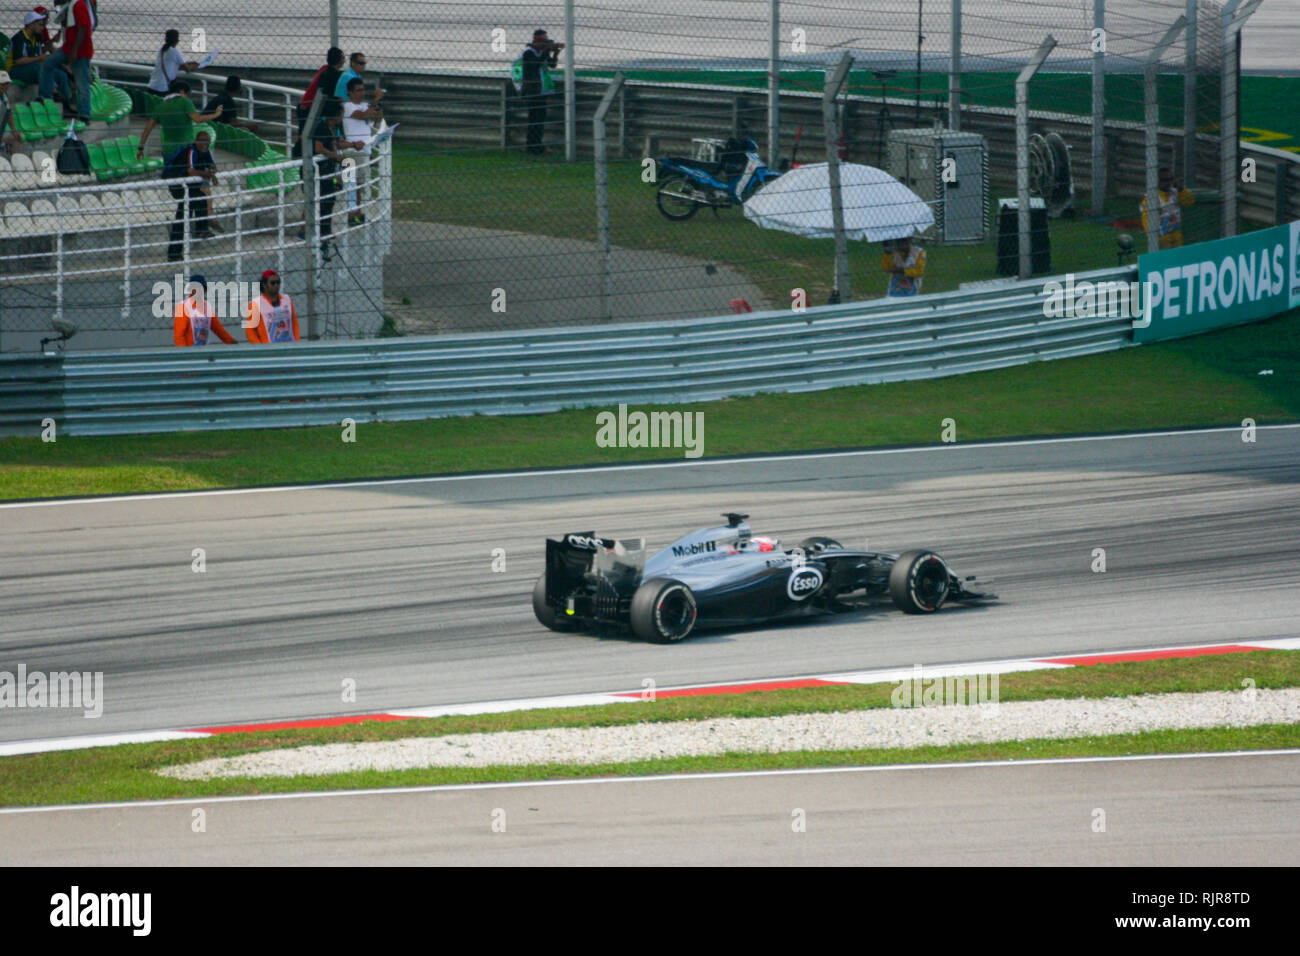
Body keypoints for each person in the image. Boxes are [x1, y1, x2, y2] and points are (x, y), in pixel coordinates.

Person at [311, 98, 364, 258]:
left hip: (329, 170)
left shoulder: (334, 128)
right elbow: (318, 147)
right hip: (321, 171)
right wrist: (333, 155)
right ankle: (321, 234)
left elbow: (338, 144)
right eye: (340, 114)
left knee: (330, 201)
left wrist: (354, 145)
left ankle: (326, 232)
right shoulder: (322, 127)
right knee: (324, 203)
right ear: (335, 115)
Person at [162, 128, 217, 262]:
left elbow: (212, 165)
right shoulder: (191, 151)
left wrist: (212, 170)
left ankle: (201, 229)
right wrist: (209, 175)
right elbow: (191, 171)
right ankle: (175, 252)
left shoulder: (206, 151)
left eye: (207, 141)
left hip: (189, 184)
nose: (205, 144)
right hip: (176, 181)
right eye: (202, 141)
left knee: (199, 199)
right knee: (183, 214)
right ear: (196, 141)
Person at [137, 78, 223, 161]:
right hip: (185, 150)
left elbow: (147, 129)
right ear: (182, 91)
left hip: (168, 150)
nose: (188, 97)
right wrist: (216, 114)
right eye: (187, 94)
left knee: (171, 175)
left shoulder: (160, 106)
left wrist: (141, 148)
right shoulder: (185, 102)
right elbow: (197, 119)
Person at [38, 0, 95, 124]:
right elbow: (69, 26)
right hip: (68, 48)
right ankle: (45, 97)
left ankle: (85, 114)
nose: (55, 1)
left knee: (81, 83)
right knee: (48, 64)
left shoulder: (78, 4)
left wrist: (74, 51)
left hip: (80, 51)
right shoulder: (69, 6)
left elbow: (82, 28)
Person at [512, 29, 562, 156]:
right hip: (532, 90)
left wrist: (555, 53)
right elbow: (534, 65)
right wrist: (545, 52)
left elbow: (552, 65)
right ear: (536, 41)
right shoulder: (529, 52)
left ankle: (535, 146)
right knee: (535, 120)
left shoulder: (539, 52)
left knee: (539, 120)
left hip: (540, 90)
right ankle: (534, 147)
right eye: (543, 41)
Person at [341, 75, 382, 225]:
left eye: (363, 90)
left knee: (358, 186)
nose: (362, 93)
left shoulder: (365, 105)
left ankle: (356, 213)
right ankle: (351, 214)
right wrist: (376, 101)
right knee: (351, 185)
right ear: (350, 93)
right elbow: (363, 115)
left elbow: (377, 118)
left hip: (364, 150)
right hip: (352, 150)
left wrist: (378, 105)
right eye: (358, 90)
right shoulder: (347, 106)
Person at [10, 11, 70, 106]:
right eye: (40, 25)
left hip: (33, 69)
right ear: (31, 24)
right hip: (16, 70)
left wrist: (52, 41)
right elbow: (18, 61)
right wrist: (39, 58)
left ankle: (67, 104)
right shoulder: (19, 38)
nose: (43, 28)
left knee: (60, 75)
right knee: (41, 67)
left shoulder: (36, 37)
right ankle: (47, 97)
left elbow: (39, 52)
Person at [294, 46, 344, 158]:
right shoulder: (333, 75)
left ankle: (300, 157)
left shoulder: (325, 69)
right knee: (306, 136)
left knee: (305, 134)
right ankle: (300, 157)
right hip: (309, 108)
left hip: (306, 106)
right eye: (343, 58)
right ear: (339, 60)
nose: (344, 60)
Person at [173, 274, 237, 346]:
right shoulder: (182, 307)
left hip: (204, 352)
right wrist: (184, 354)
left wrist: (231, 342)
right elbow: (179, 336)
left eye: (201, 288)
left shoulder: (207, 307)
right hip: (190, 352)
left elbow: (218, 329)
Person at [1140, 168, 1195, 249]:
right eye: (1165, 180)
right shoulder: (1150, 198)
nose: (1169, 183)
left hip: (1176, 234)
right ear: (1157, 181)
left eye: (1171, 179)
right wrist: (1153, 238)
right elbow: (1147, 221)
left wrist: (1179, 188)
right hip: (1162, 236)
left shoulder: (1175, 192)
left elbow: (1190, 201)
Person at [244, 270, 300, 343]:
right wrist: (259, 347)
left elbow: (294, 323)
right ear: (264, 284)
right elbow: (250, 330)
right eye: (272, 283)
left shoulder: (287, 299)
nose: (276, 285)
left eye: (278, 282)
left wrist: (296, 341)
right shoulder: (255, 304)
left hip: (289, 345)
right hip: (268, 348)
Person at [146, 29, 199, 95]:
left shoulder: (162, 50)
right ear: (177, 41)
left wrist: (189, 63)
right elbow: (187, 69)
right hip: (162, 87)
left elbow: (172, 65)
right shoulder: (175, 52)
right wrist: (196, 66)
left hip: (152, 85)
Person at [0, 71, 22, 153]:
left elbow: (8, 113)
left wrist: (14, 130)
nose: (5, 86)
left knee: (16, 139)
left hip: (1, 133)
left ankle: (14, 163)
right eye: (2, 83)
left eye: (7, 83)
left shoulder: (5, 97)